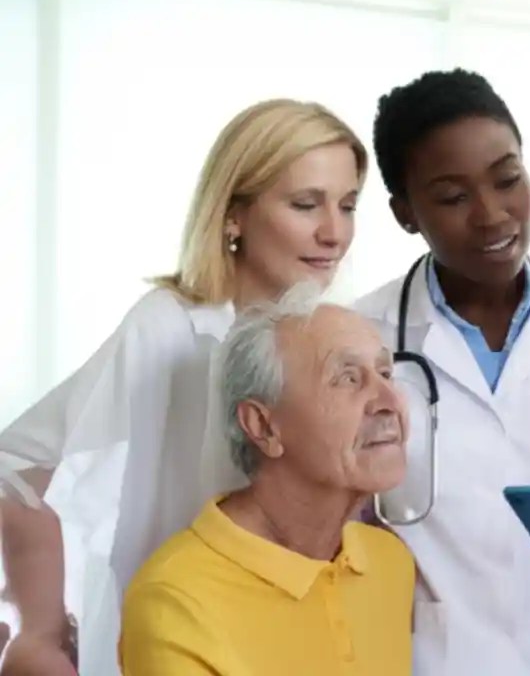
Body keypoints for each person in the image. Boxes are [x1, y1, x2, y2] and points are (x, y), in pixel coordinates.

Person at [0, 99, 367, 676]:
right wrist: (41, 633)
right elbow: (18, 470)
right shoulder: (172, 328)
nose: (334, 233)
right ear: (232, 215)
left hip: (289, 631)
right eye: (306, 204)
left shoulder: (329, 341)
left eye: (347, 206)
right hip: (174, 635)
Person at [353, 68, 530, 675]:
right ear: (404, 213)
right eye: (452, 196)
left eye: (508, 179)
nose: (493, 214)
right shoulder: (362, 338)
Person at [119, 286, 414, 674]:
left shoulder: (390, 563)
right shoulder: (175, 602)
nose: (390, 400)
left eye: (386, 373)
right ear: (263, 426)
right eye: (347, 378)